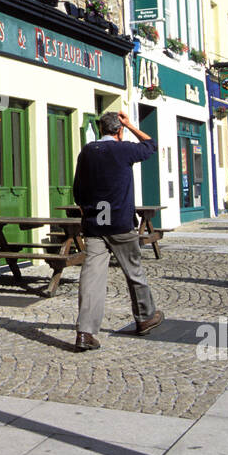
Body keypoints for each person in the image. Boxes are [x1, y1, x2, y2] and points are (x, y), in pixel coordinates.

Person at [71, 110, 163, 352]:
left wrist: (85, 210)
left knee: (91, 278)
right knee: (134, 272)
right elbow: (150, 145)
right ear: (118, 131)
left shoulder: (88, 151)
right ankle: (144, 317)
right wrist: (131, 124)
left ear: (101, 130)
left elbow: (78, 190)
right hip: (120, 223)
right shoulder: (124, 150)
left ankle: (85, 332)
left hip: (93, 225)